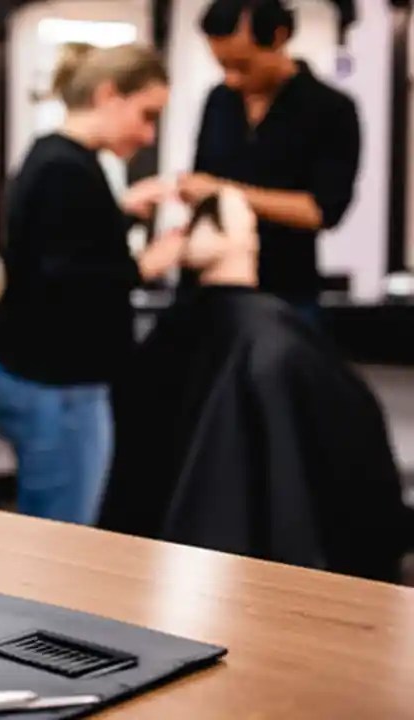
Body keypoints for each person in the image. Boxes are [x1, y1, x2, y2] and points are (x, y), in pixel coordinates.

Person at [99, 188, 406, 582]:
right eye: (200, 215)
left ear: (251, 239)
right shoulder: (262, 339)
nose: (206, 215)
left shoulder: (265, 343)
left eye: (220, 213)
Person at [0, 45, 184, 525]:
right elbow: (68, 280)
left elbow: (60, 245)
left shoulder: (54, 157)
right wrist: (146, 266)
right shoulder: (65, 170)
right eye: (146, 115)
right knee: (62, 534)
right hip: (61, 385)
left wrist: (119, 212)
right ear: (109, 95)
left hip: (44, 376)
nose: (148, 133)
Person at [178, 0, 361, 316]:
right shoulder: (219, 101)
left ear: (278, 37)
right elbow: (203, 182)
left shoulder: (331, 109)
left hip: (286, 292)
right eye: (222, 66)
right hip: (209, 287)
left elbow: (321, 211)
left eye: (242, 65)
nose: (232, 79)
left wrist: (224, 192)